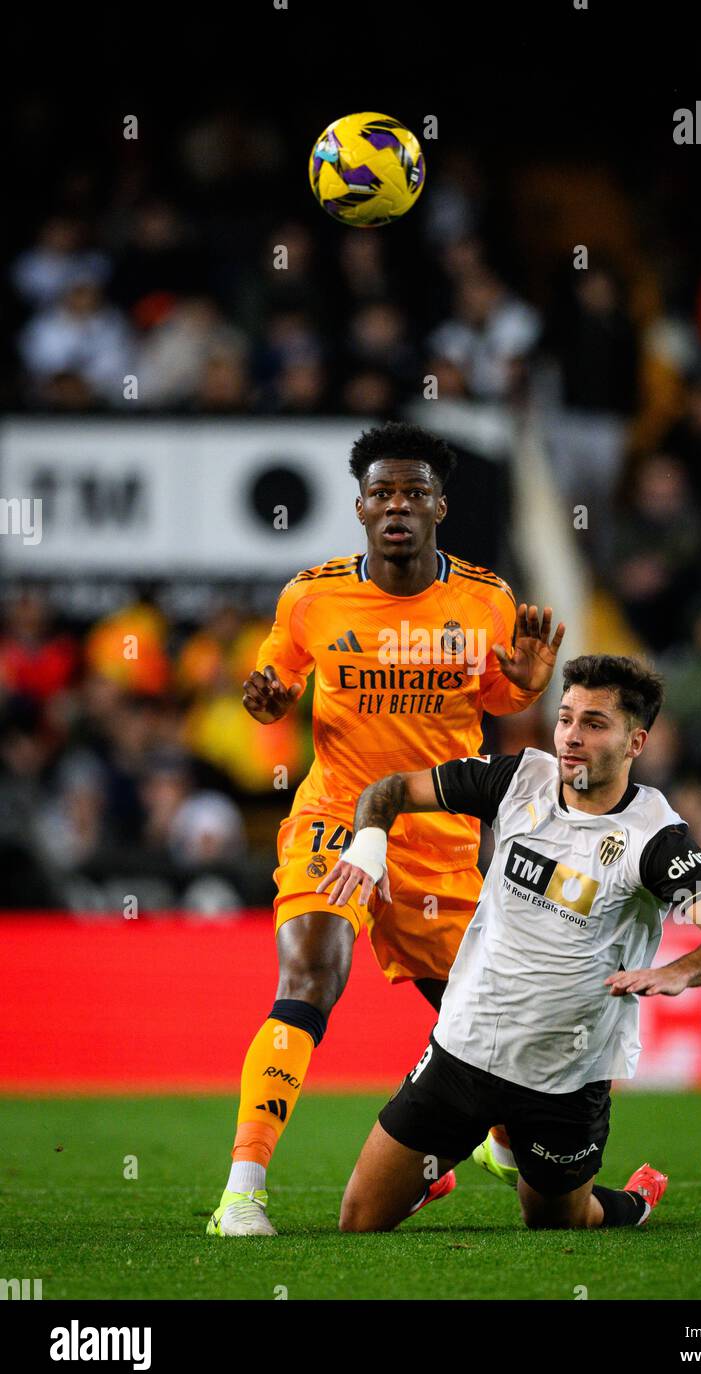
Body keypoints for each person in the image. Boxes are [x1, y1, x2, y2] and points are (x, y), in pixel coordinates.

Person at [206, 420, 564, 1236]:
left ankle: (493, 1142)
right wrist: (265, 701)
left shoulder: (486, 599)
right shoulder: (310, 596)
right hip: (336, 817)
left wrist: (526, 689)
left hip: (437, 836)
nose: (396, 505)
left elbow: (498, 701)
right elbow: (277, 683)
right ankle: (243, 1191)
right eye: (381, 493)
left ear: (439, 505)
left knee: (476, 1022)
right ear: (361, 507)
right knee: (308, 984)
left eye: (413, 492)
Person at [320, 654, 701, 1233]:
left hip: (565, 1077)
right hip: (465, 1050)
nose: (571, 738)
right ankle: (433, 1177)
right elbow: (388, 789)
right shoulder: (515, 781)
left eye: (595, 724)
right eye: (565, 718)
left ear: (636, 742)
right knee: (358, 1222)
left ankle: (635, 1200)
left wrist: (681, 970)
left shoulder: (653, 838)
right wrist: (370, 842)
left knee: (558, 1221)